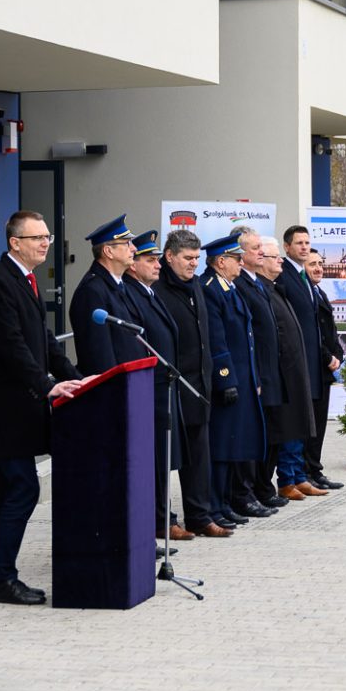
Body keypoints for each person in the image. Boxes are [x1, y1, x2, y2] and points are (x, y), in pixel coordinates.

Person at [0, 211, 85, 606]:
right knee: (22, 488)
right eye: (37, 237)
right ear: (15, 242)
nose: (46, 243)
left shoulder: (26, 280)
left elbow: (44, 341)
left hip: (21, 409)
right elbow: (12, 345)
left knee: (5, 490)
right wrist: (47, 386)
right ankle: (1, 578)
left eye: (47, 236)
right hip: (6, 410)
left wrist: (78, 379)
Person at [155, 228, 232, 537]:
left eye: (197, 258)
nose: (194, 264)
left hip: (198, 386)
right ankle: (165, 520)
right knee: (165, 458)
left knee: (199, 457)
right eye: (188, 258)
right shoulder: (158, 288)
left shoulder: (197, 285)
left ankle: (200, 516)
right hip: (171, 386)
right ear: (169, 256)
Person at [124, 230, 188, 542]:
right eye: (150, 260)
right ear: (132, 264)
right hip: (149, 388)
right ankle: (160, 520)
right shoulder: (131, 294)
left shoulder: (149, 292)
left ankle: (164, 517)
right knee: (154, 461)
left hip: (163, 387)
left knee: (163, 460)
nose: (158, 265)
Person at [202, 233, 269, 523]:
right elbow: (217, 339)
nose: (241, 263)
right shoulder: (210, 289)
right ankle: (215, 506)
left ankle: (225, 503)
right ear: (221, 261)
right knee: (222, 446)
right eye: (236, 259)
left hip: (242, 376)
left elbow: (247, 338)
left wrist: (253, 376)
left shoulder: (230, 287)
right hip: (227, 380)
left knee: (234, 444)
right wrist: (226, 378)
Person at [256, 235, 324, 499]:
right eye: (275, 257)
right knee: (287, 426)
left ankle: (296, 476)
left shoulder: (276, 286)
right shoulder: (268, 286)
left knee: (298, 423)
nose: (280, 262)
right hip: (280, 369)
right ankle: (287, 479)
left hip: (297, 365)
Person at [280, 225, 340, 489]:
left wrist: (335, 354)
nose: (304, 247)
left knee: (314, 424)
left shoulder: (307, 282)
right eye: (299, 243)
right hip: (298, 363)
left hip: (315, 366)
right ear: (287, 247)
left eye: (307, 242)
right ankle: (295, 476)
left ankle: (306, 473)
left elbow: (320, 327)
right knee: (299, 425)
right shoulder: (285, 277)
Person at [234, 226, 286, 509]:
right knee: (257, 437)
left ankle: (262, 488)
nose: (262, 252)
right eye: (255, 248)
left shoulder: (256, 282)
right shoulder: (241, 284)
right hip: (258, 373)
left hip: (270, 371)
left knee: (272, 434)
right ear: (240, 254)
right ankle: (252, 491)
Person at [69, 214, 138, 375]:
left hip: (132, 381)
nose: (134, 248)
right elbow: (99, 355)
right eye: (127, 243)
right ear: (108, 251)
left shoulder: (120, 284)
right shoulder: (91, 291)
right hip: (115, 385)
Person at [306, 250, 346, 489]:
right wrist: (327, 356)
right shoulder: (305, 294)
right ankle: (308, 471)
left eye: (320, 263)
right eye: (312, 264)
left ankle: (315, 469)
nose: (318, 268)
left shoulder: (319, 292)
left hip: (326, 368)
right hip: (315, 366)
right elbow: (312, 334)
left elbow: (330, 330)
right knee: (310, 425)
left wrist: (338, 354)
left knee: (320, 424)